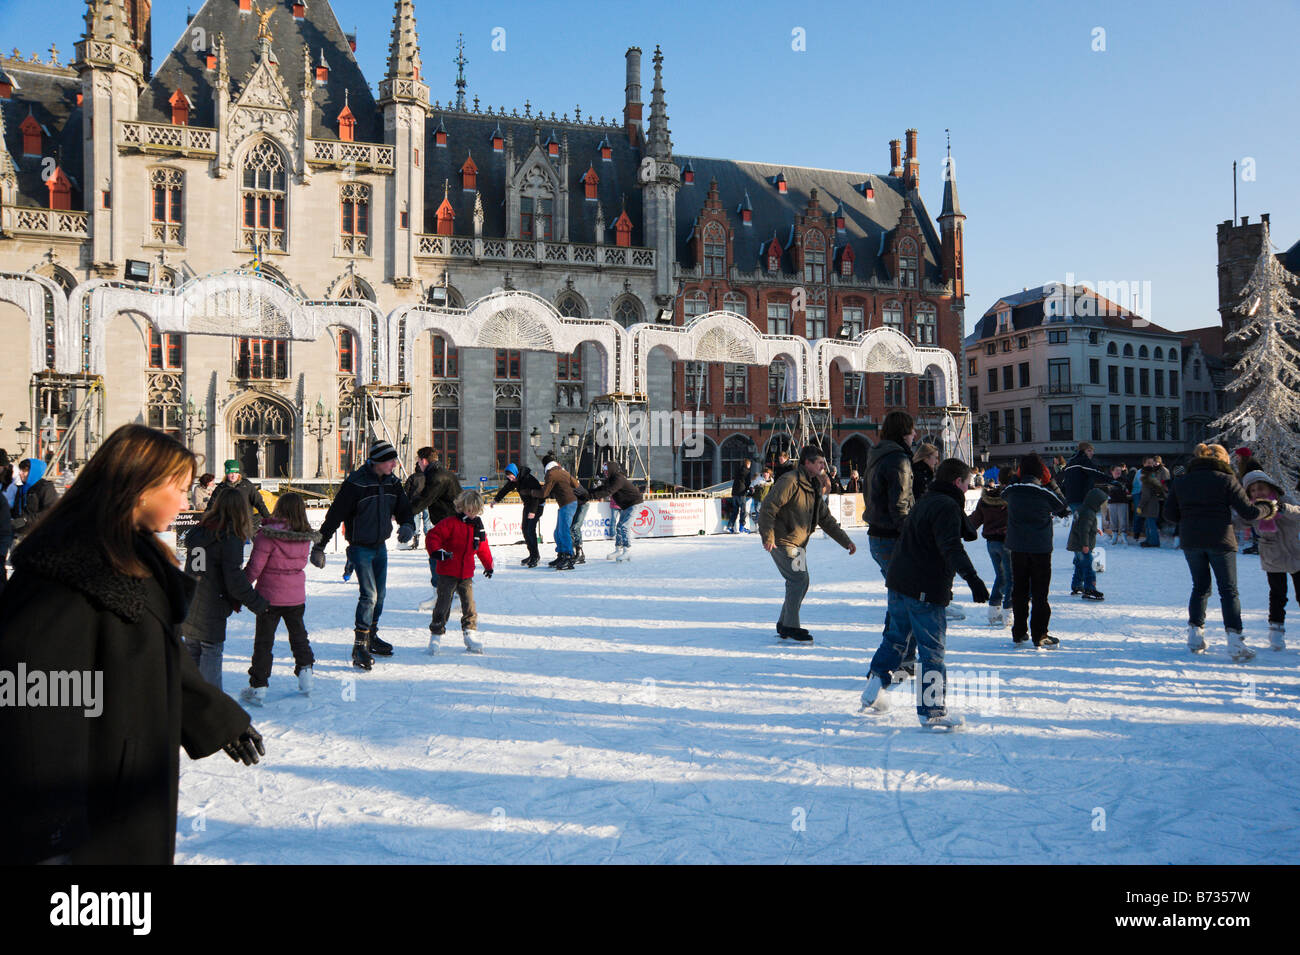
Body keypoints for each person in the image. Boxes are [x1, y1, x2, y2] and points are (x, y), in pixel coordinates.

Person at [0, 424, 262, 864]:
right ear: (139, 488)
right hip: (91, 793)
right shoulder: (64, 569)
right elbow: (31, 693)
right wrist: (49, 824)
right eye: (178, 489)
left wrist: (217, 717)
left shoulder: (135, 558)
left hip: (131, 771)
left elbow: (160, 656)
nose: (185, 502)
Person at [860, 458, 988, 728]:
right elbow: (951, 547)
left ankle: (875, 683)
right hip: (923, 587)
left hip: (899, 582)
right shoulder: (946, 507)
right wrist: (973, 579)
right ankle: (932, 711)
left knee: (895, 638)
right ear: (957, 482)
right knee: (932, 652)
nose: (968, 489)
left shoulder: (927, 501)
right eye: (967, 483)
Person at [311, 439, 416, 670]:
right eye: (390, 460)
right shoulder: (355, 484)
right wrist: (320, 545)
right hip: (359, 548)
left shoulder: (393, 483)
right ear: (378, 462)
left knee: (381, 595)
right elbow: (335, 515)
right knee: (369, 596)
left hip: (380, 547)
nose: (394, 464)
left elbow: (405, 509)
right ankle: (359, 645)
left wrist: (408, 525)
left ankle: (371, 635)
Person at [1165, 444, 1276, 660]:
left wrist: (1189, 518)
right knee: (1228, 590)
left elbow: (1169, 514)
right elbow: (1249, 512)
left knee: (1200, 587)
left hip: (1191, 540)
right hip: (1220, 540)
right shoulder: (1226, 480)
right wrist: (1268, 507)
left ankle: (1195, 637)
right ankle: (1235, 642)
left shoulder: (1181, 481)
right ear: (1224, 460)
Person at [758, 445, 857, 643]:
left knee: (801, 582)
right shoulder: (790, 480)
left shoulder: (812, 485)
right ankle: (791, 626)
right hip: (783, 540)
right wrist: (767, 536)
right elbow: (768, 507)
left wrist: (846, 541)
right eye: (819, 462)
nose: (823, 466)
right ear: (807, 463)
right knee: (798, 579)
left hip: (798, 543)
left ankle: (784, 622)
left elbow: (825, 519)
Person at [181, 486, 270, 690]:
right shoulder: (229, 538)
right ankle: (210, 713)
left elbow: (196, 571)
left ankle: (189, 710)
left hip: (191, 603)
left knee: (193, 661)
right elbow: (235, 580)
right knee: (210, 665)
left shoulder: (200, 532)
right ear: (240, 510)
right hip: (210, 609)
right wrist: (258, 603)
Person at [240, 491, 320, 704]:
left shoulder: (267, 534)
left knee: (264, 643)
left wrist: (239, 587)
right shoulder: (304, 535)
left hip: (269, 597)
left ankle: (258, 687)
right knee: (299, 637)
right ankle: (306, 675)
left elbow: (255, 567)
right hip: (295, 596)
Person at [863, 411, 916, 672]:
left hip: (878, 534)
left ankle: (902, 659)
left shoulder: (877, 453)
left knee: (902, 599)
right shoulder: (898, 459)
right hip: (893, 537)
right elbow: (900, 505)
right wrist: (912, 538)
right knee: (905, 602)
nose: (915, 434)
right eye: (912, 430)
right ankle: (890, 664)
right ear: (903, 432)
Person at [1001, 452, 1070, 648]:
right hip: (1040, 548)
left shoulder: (1012, 491)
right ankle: (1039, 634)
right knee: (1040, 593)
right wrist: (1051, 483)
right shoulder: (1045, 493)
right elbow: (1064, 507)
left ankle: (1019, 632)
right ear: (1042, 473)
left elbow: (1005, 491)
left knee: (1019, 591)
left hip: (1017, 547)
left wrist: (1017, 477)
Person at [425, 489, 494, 654]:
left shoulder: (477, 527)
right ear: (461, 507)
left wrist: (488, 565)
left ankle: (470, 634)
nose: (472, 515)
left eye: (475, 512)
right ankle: (436, 635)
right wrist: (436, 551)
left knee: (469, 605)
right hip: (448, 572)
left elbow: (483, 547)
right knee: (443, 605)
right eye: (469, 511)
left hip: (466, 574)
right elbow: (433, 536)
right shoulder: (450, 523)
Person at [1238, 469, 1300, 651]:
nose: (1259, 493)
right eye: (1254, 490)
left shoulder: (1284, 501)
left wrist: (1283, 509)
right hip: (1273, 556)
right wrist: (1241, 512)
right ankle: (1276, 631)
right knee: (1278, 595)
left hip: (1296, 553)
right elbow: (1240, 523)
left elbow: (1298, 513)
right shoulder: (1253, 508)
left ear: (1270, 487)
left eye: (1261, 488)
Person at [968, 469, 1012, 626]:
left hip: (991, 543)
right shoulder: (1011, 498)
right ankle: (1008, 612)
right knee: (1010, 578)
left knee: (1001, 576)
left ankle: (993, 611)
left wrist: (958, 526)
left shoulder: (986, 498)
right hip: (1007, 542)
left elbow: (974, 521)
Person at [406, 447, 461, 552]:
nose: (418, 465)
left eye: (418, 462)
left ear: (423, 460)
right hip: (450, 522)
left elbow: (424, 499)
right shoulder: (444, 473)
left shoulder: (437, 476)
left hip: (448, 524)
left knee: (439, 558)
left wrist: (403, 513)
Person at [494, 462, 547, 567]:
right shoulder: (516, 479)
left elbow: (537, 496)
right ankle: (532, 554)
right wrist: (496, 499)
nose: (510, 479)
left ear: (515, 473)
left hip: (537, 505)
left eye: (511, 476)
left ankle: (535, 556)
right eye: (508, 477)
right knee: (525, 529)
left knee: (530, 529)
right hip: (528, 505)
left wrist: (532, 511)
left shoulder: (528, 479)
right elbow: (506, 489)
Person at [590, 459, 644, 561]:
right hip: (627, 505)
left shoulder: (618, 478)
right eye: (603, 469)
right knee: (619, 526)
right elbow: (602, 488)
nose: (604, 471)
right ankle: (618, 550)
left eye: (606, 469)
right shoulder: (610, 479)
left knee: (625, 526)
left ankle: (627, 551)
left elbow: (609, 491)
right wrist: (588, 493)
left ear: (611, 469)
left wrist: (592, 495)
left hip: (635, 503)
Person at [539, 452, 583, 570]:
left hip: (567, 504)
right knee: (558, 532)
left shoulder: (551, 474)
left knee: (563, 531)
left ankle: (568, 557)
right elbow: (576, 484)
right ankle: (562, 555)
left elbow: (544, 493)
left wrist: (532, 492)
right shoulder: (564, 472)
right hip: (569, 503)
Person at [1067, 486, 1109, 600]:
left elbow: (1082, 526)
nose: (1101, 506)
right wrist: (1085, 545)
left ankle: (1076, 585)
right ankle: (1090, 588)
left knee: (1080, 565)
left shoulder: (1082, 509)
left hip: (1076, 543)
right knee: (1089, 566)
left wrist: (1095, 529)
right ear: (1095, 502)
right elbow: (1083, 530)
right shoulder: (1088, 513)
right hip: (1081, 545)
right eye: (1100, 503)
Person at [206, 459, 271, 531]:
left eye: (236, 472)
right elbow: (211, 506)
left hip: (245, 524)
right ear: (226, 473)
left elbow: (259, 503)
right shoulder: (221, 488)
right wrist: (204, 521)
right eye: (231, 473)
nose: (234, 475)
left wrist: (269, 518)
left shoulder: (246, 485)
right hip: (227, 525)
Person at [10, 457, 59, 542]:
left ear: (33, 472)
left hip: (38, 535)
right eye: (20, 470)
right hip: (18, 534)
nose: (21, 473)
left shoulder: (45, 488)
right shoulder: (21, 488)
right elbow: (16, 509)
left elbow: (50, 511)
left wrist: (26, 520)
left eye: (24, 471)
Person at [1059, 441, 1109, 514]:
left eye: (1092, 451)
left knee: (1079, 521)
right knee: (1083, 522)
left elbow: (1065, 482)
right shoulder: (1083, 461)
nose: (1092, 453)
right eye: (1089, 450)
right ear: (1082, 451)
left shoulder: (1071, 462)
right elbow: (1097, 474)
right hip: (1080, 499)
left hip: (1073, 499)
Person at [1138, 464, 1166, 548]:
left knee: (1150, 525)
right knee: (1149, 524)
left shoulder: (1146, 482)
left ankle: (1153, 542)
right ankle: (1150, 540)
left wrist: (1140, 506)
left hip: (1149, 507)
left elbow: (1145, 496)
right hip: (1154, 506)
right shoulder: (1154, 481)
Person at [1105, 464, 1132, 546]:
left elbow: (1129, 489)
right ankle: (1114, 535)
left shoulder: (1125, 480)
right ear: (1112, 471)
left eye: (1119, 470)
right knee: (1113, 519)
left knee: (1123, 519)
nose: (1118, 472)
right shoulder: (1108, 480)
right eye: (1116, 470)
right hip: (1112, 502)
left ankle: (1124, 536)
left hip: (1122, 502)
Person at [730, 457, 755, 533]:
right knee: (743, 511)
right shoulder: (747, 472)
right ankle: (741, 527)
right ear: (748, 464)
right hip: (741, 493)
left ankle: (730, 527)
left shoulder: (738, 470)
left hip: (734, 492)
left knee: (735, 510)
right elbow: (747, 483)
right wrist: (750, 490)